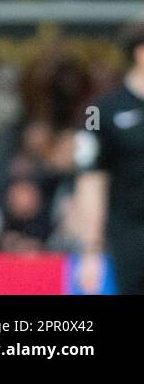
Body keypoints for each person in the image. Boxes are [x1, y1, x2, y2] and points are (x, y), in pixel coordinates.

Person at [72, 22, 144, 294]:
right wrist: (91, 250)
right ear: (140, 53)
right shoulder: (102, 112)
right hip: (129, 240)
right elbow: (90, 181)